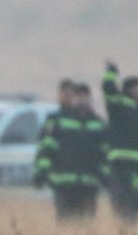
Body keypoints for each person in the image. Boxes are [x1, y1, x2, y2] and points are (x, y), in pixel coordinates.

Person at [33, 80, 109, 221]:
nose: (81, 100)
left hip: (89, 184)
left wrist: (107, 177)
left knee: (86, 226)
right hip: (63, 183)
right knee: (65, 224)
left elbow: (104, 154)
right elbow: (46, 149)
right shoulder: (57, 120)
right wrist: (41, 173)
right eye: (78, 96)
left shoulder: (98, 123)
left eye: (85, 96)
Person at [99, 62, 138, 223]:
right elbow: (108, 90)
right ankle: (121, 227)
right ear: (130, 89)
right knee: (120, 200)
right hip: (121, 162)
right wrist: (111, 73)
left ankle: (130, 228)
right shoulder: (118, 105)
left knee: (136, 202)